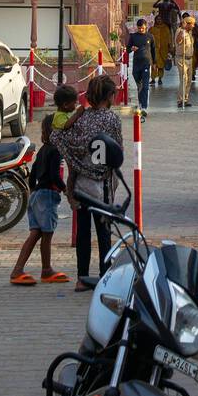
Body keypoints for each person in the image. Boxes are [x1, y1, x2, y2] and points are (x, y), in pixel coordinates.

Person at [52, 74, 123, 292]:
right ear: (109, 96)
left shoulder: (80, 118)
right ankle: (105, 277)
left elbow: (59, 137)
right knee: (103, 233)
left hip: (81, 185)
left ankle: (82, 278)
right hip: (102, 186)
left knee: (83, 233)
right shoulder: (112, 120)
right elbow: (118, 151)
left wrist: (77, 163)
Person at [9, 114, 70, 286]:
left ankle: (20, 268)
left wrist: (35, 192)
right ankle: (45, 270)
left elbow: (33, 174)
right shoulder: (56, 151)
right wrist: (65, 190)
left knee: (36, 233)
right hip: (48, 196)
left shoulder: (43, 150)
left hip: (36, 195)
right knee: (47, 234)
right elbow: (53, 176)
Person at [127, 17, 152, 119]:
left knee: (145, 86)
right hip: (137, 64)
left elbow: (153, 51)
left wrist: (154, 64)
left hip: (146, 63)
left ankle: (144, 108)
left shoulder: (150, 37)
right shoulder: (133, 37)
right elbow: (128, 49)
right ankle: (141, 103)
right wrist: (131, 48)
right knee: (140, 86)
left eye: (142, 28)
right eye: (139, 28)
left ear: (146, 27)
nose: (140, 29)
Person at [174, 13, 197, 108]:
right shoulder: (180, 31)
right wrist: (183, 29)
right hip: (181, 58)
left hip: (189, 59)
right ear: (187, 23)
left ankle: (185, 99)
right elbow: (178, 41)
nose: (193, 26)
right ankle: (180, 100)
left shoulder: (190, 32)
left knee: (189, 80)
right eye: (192, 24)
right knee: (184, 79)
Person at [151, 10, 172, 87]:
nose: (159, 20)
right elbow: (149, 39)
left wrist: (170, 48)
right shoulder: (152, 29)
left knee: (161, 66)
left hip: (164, 49)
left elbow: (169, 38)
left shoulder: (166, 28)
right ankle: (153, 79)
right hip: (154, 50)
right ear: (155, 20)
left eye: (160, 19)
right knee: (154, 65)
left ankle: (160, 78)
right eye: (157, 19)